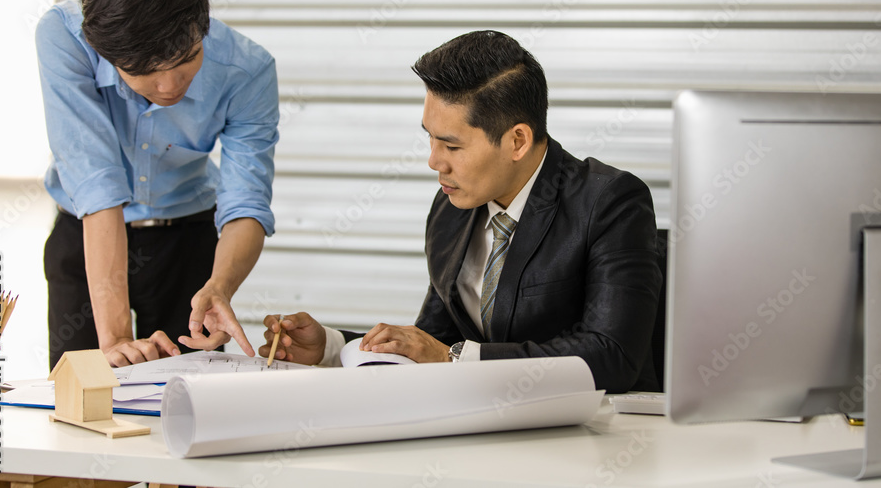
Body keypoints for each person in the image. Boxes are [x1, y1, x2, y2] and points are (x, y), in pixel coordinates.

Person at [262, 30, 662, 392]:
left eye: (452, 146)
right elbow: (429, 340)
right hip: (490, 422)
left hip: (600, 433)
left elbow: (613, 356)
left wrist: (452, 358)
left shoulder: (609, 202)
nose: (435, 161)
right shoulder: (453, 206)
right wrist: (330, 347)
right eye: (430, 140)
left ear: (517, 141)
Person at [38, 0, 279, 368]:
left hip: (184, 243)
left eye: (187, 59)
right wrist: (114, 341)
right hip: (86, 237)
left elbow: (246, 202)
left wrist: (219, 286)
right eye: (143, 72)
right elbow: (96, 182)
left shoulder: (248, 70)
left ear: (201, 26)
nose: (169, 87)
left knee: (185, 397)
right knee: (81, 394)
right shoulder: (63, 37)